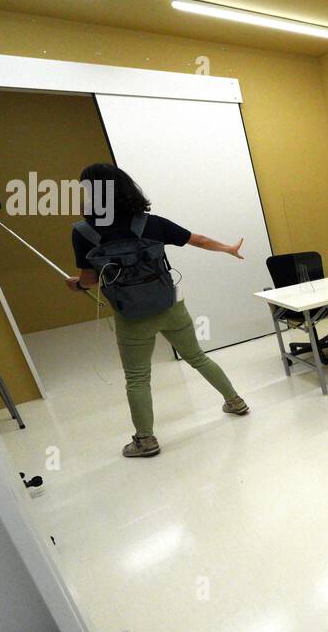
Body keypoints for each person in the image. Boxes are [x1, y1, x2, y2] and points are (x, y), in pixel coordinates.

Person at [66, 163, 249, 458]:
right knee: (197, 357)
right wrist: (228, 248)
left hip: (131, 316)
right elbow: (197, 240)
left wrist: (76, 285)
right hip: (170, 305)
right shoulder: (149, 223)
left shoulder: (84, 232)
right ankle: (236, 401)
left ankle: (145, 440)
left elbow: (88, 279)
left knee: (138, 377)